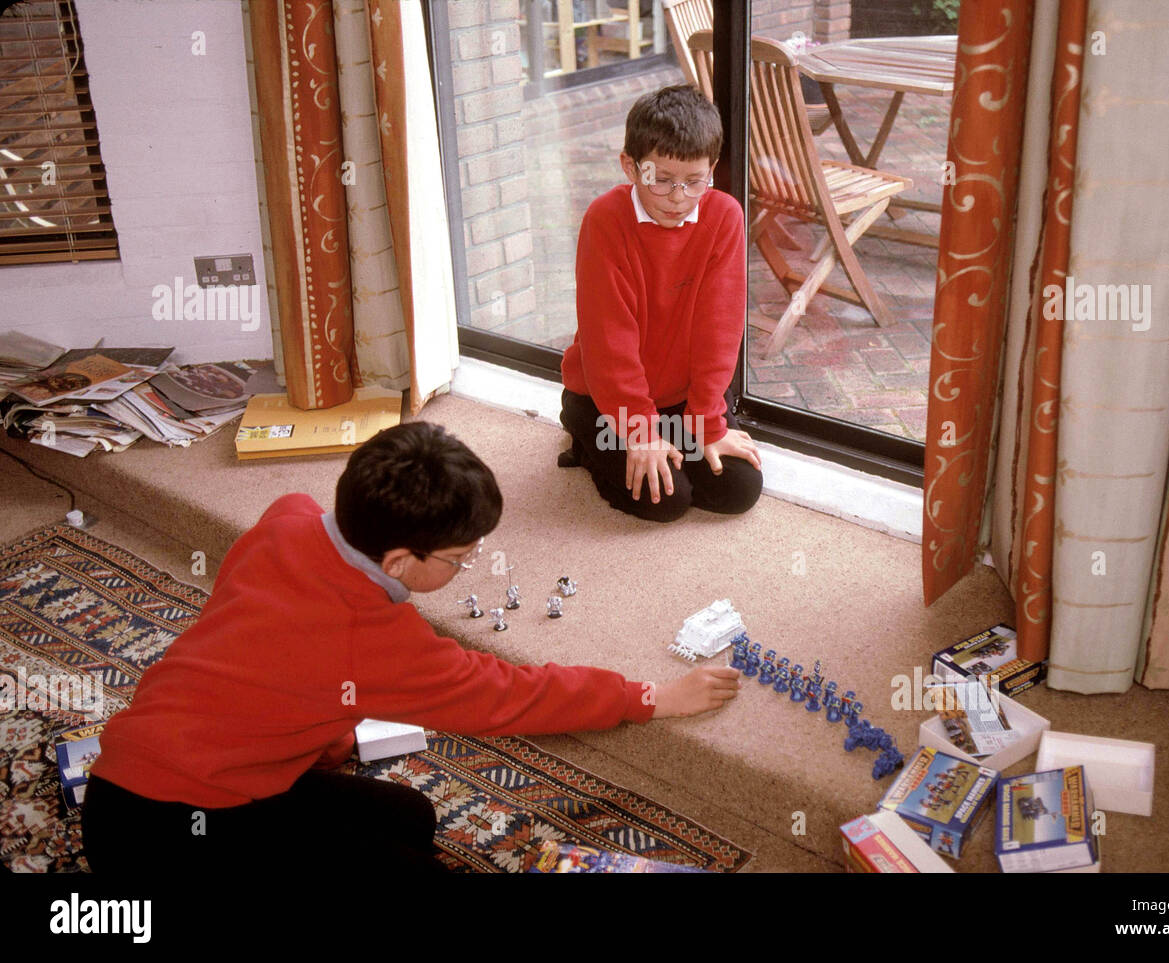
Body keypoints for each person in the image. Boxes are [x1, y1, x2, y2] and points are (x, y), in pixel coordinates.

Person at [82, 422, 740, 875]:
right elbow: (513, 696)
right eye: (458, 558)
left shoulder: (288, 517)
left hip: (146, 777)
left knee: (411, 815)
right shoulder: (375, 639)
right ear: (398, 559)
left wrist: (325, 734)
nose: (469, 566)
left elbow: (255, 645)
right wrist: (649, 697)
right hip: (164, 833)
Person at [559, 85, 763, 523]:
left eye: (695, 181)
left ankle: (668, 435)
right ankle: (581, 428)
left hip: (681, 397)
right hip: (605, 396)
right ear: (630, 167)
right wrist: (638, 433)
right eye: (662, 180)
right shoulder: (605, 220)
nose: (678, 197)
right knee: (667, 501)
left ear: (711, 169)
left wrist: (708, 425)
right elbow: (609, 341)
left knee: (739, 488)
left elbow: (720, 329)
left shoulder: (724, 216)